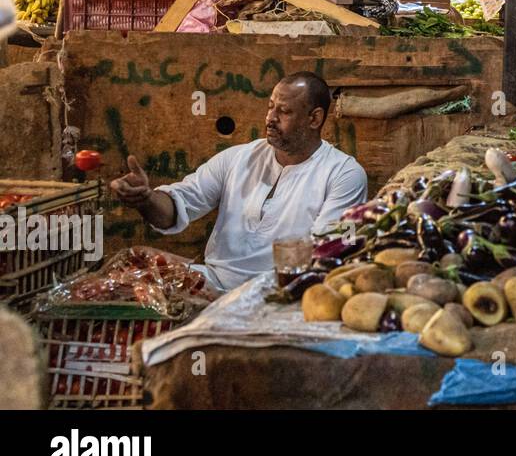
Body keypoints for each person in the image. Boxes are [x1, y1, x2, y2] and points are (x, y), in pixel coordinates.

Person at [109, 72, 366, 293]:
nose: (270, 118)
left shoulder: (343, 173)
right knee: (125, 273)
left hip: (280, 295)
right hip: (212, 283)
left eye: (284, 111)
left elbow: (325, 251)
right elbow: (178, 205)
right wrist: (147, 199)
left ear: (314, 119)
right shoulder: (239, 158)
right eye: (270, 107)